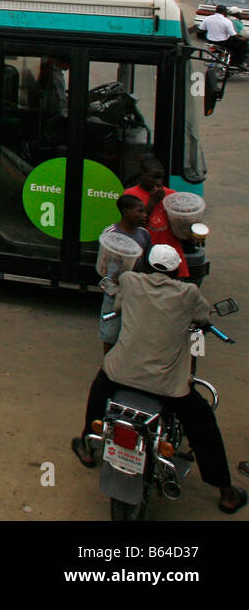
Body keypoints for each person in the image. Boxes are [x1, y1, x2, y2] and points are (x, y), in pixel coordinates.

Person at [71, 245, 246, 514]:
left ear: (145, 264)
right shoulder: (188, 293)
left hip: (120, 374)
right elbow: (202, 316)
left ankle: (86, 443)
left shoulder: (130, 282)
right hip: (167, 386)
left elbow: (119, 305)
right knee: (202, 422)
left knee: (98, 390)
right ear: (177, 270)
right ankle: (226, 492)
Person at [97, 194, 152, 355]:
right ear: (126, 212)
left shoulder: (144, 234)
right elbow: (103, 267)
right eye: (139, 211)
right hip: (114, 292)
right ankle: (108, 364)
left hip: (136, 290)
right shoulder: (110, 233)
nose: (144, 215)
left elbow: (146, 264)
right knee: (110, 331)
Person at [123, 156, 189, 279]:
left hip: (171, 257)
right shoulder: (131, 195)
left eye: (161, 177)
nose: (159, 182)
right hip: (146, 258)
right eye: (154, 177)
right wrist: (153, 202)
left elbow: (179, 227)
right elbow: (134, 226)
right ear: (142, 175)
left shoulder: (171, 195)